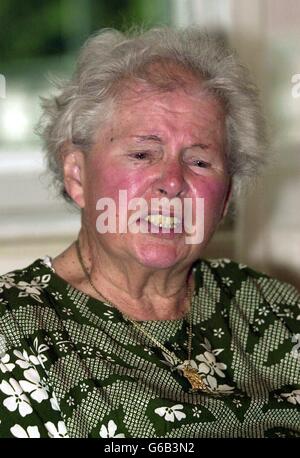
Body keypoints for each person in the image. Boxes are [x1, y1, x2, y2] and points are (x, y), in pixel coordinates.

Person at [0, 26, 299, 439]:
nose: (173, 182)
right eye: (143, 154)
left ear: (226, 195)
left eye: (199, 162)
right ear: (77, 176)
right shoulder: (13, 332)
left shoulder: (276, 307)